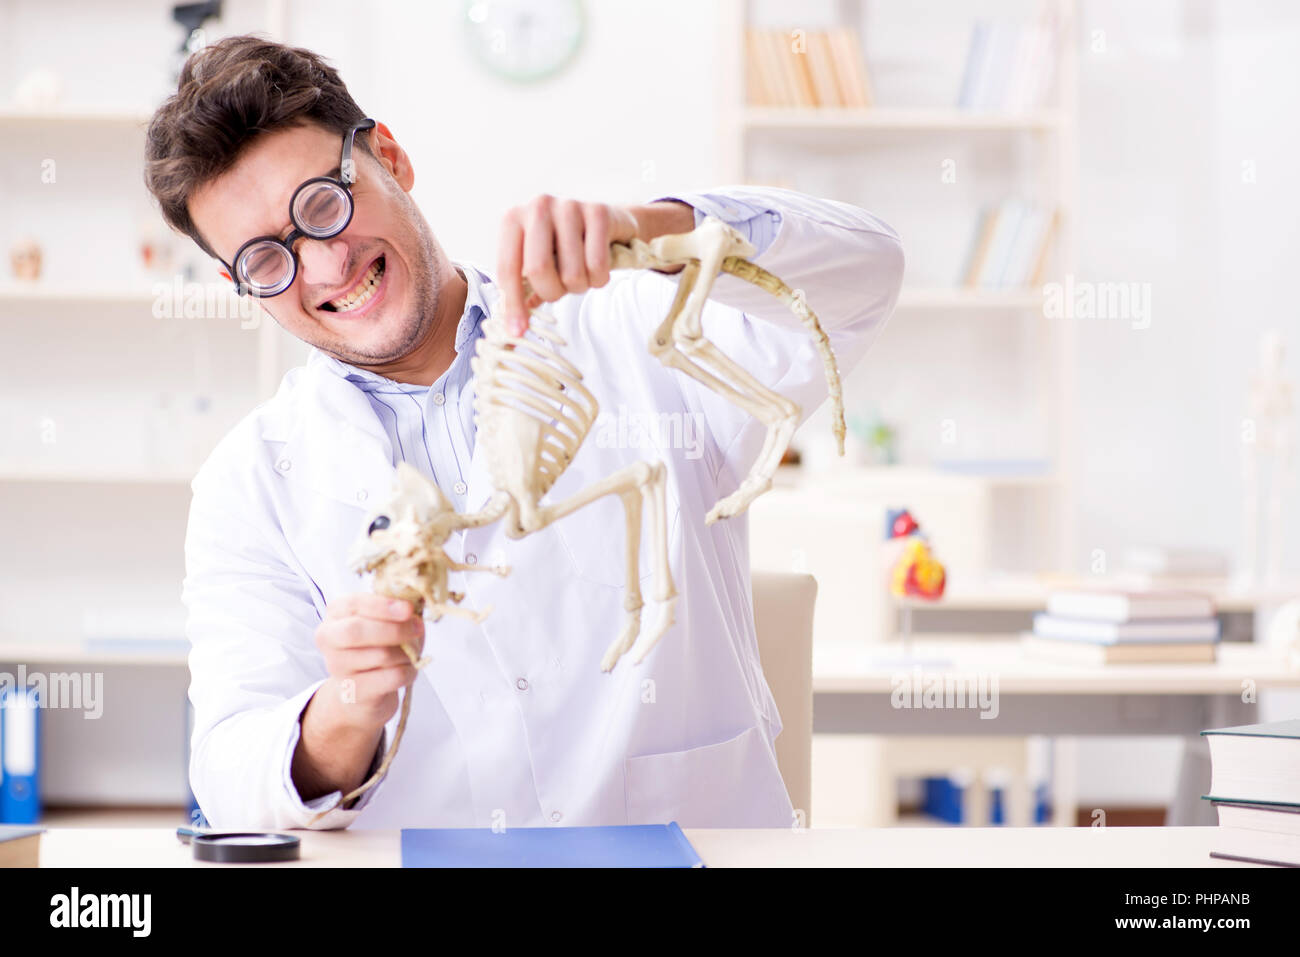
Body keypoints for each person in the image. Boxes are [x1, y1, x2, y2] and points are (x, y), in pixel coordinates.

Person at [145, 35, 904, 830]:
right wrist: (345, 708)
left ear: (391, 160)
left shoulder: (635, 320)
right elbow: (231, 767)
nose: (326, 268)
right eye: (267, 259)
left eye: (324, 204)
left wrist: (652, 230)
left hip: (693, 845)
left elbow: (865, 274)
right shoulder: (250, 480)